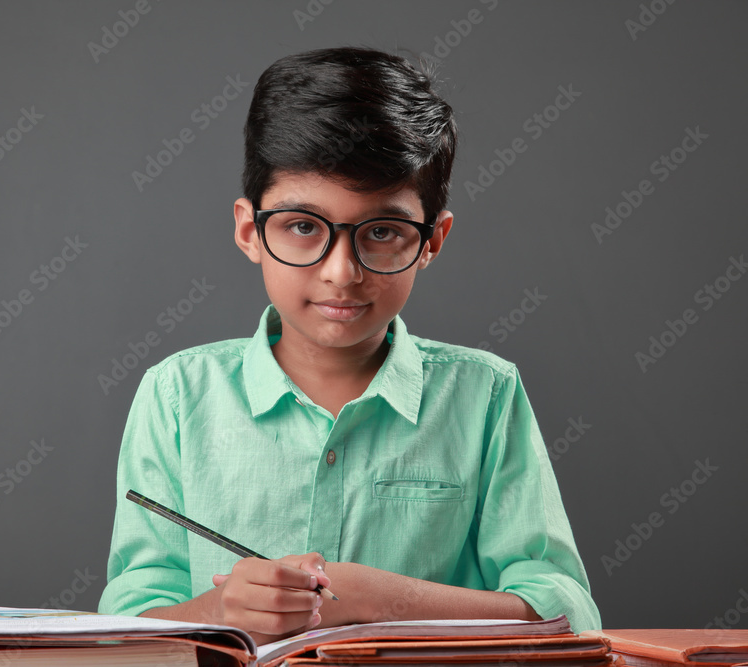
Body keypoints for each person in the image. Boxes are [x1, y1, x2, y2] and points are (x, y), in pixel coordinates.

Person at [98, 46, 601, 643]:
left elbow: (567, 611)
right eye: (303, 226)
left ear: (433, 238)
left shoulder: (484, 394)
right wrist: (217, 610)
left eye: (383, 231)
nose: (342, 272)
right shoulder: (177, 395)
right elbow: (122, 629)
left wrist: (385, 600)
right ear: (249, 231)